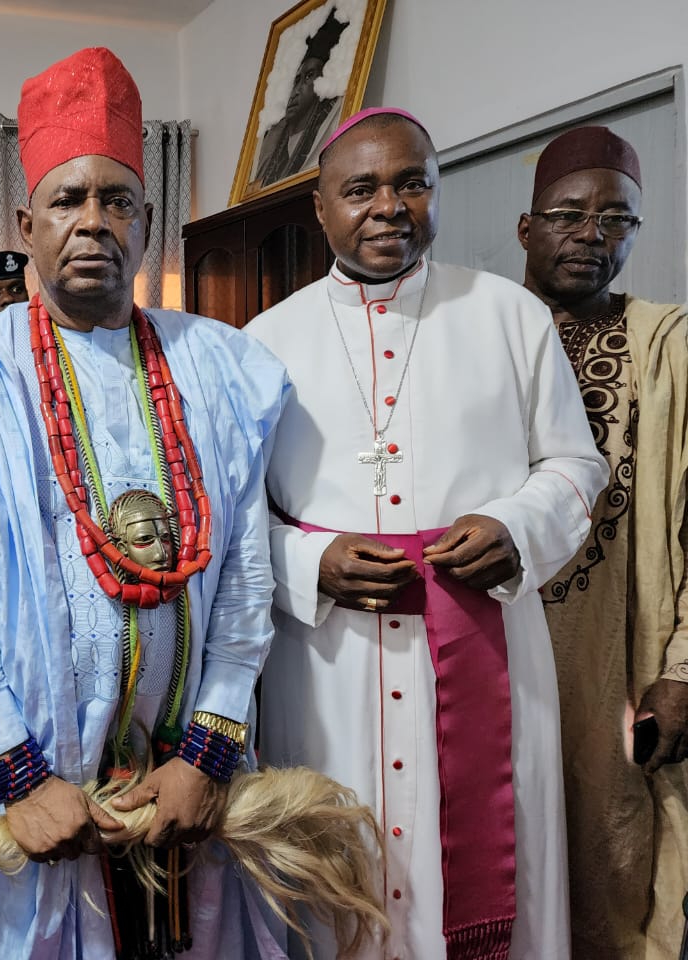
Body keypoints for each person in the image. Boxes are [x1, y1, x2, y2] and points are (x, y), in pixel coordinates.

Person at [0, 47, 292, 960]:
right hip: (27, 790)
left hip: (185, 782)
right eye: (68, 199)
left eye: (116, 200)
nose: (93, 221)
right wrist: (21, 772)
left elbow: (243, 570)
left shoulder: (219, 366)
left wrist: (210, 751)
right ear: (26, 222)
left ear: (147, 221)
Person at [245, 107, 609, 959]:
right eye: (361, 188)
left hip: (487, 644)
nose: (390, 206)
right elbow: (233, 522)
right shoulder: (263, 344)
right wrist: (308, 560)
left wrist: (515, 525)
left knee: (493, 869)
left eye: (413, 183)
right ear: (322, 209)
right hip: (331, 668)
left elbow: (575, 465)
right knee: (345, 870)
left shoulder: (509, 316)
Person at [520, 125, 688, 959]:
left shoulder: (670, 344)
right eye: (568, 214)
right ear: (526, 228)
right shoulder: (485, 335)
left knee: (613, 870)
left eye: (616, 219)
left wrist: (684, 667)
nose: (592, 235)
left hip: (613, 660)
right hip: (491, 652)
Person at [251, 8, 347, 187]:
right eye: (296, 80)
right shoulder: (275, 139)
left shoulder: (331, 130)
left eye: (309, 76)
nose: (295, 91)